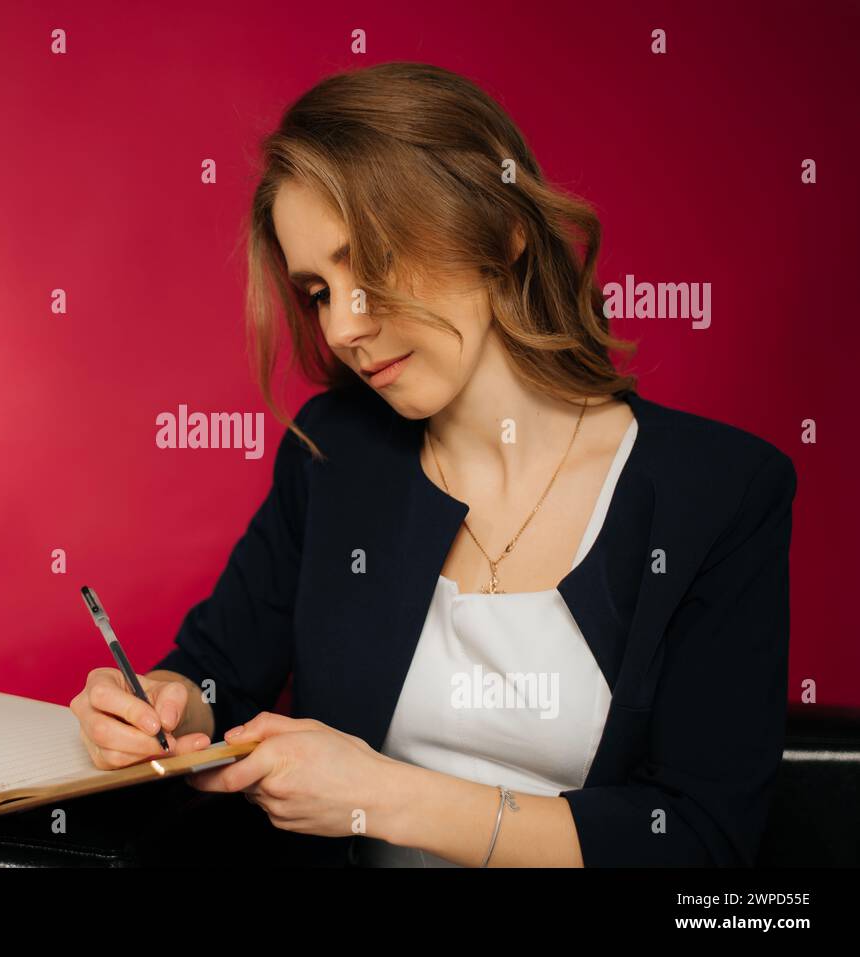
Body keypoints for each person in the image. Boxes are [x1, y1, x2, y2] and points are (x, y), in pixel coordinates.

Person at [69, 61, 796, 867]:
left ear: (502, 229)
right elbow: (216, 675)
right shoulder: (334, 452)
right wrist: (167, 704)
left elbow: (702, 841)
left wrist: (383, 796)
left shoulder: (721, 491)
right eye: (317, 289)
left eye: (372, 259)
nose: (344, 326)